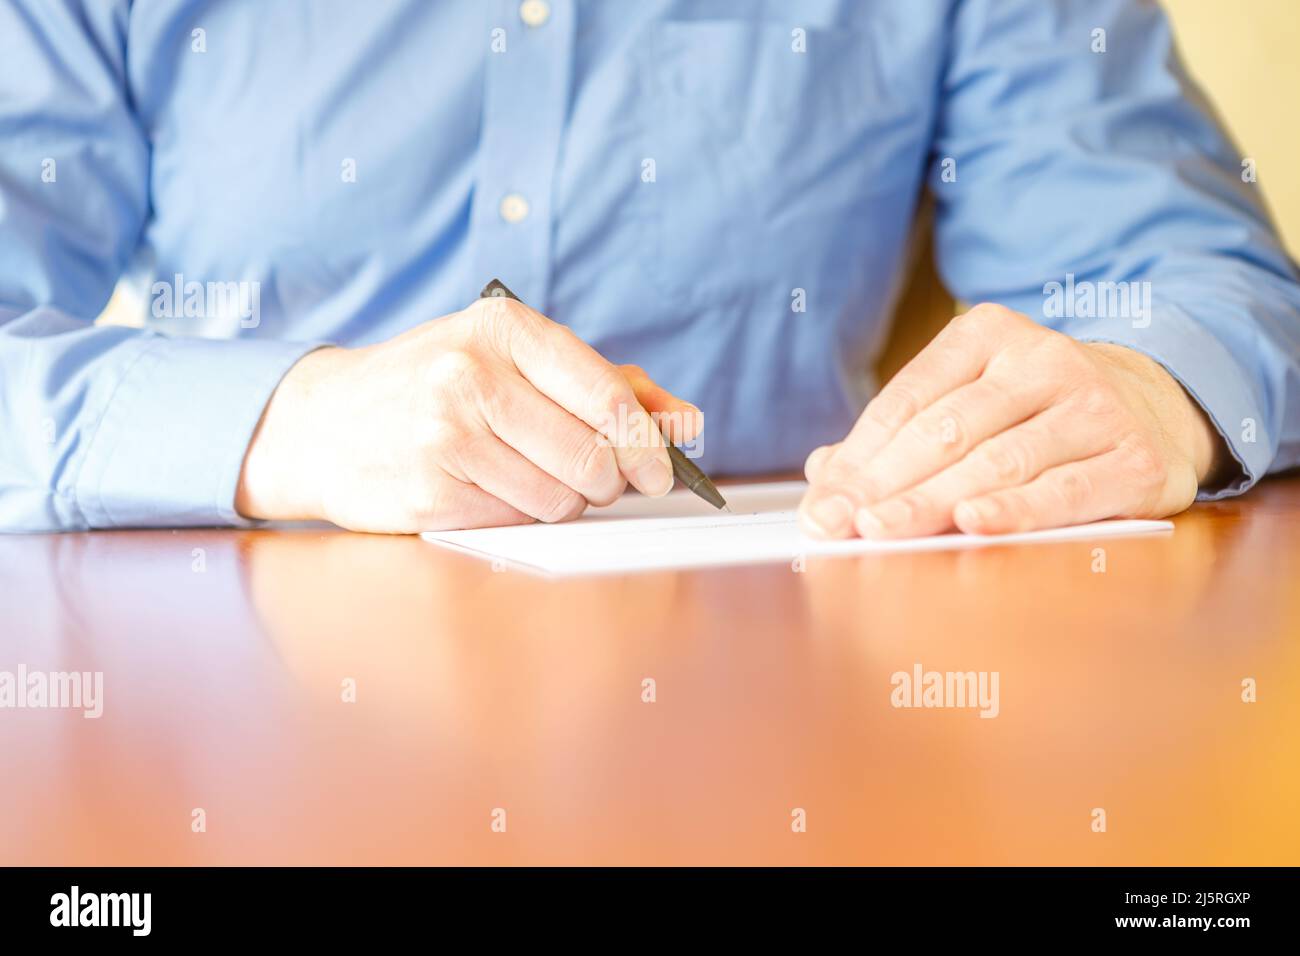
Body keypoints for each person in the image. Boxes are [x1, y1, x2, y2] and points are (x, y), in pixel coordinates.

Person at [1, 0, 1297, 539]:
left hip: (793, 718)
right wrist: (276, 425)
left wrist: (1150, 384)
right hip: (235, 728)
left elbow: (1195, 276)